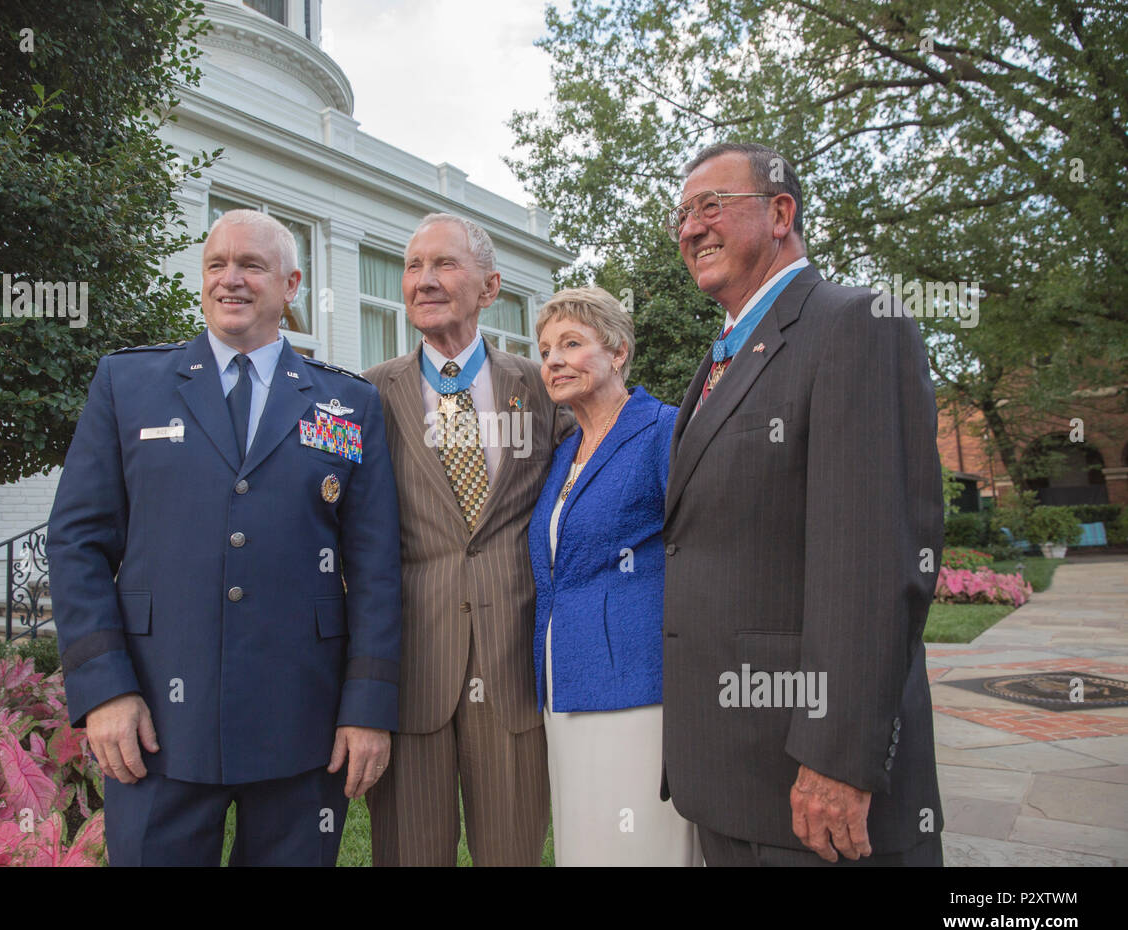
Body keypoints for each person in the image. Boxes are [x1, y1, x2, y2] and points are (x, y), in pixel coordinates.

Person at [47, 209, 402, 866]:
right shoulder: (128, 385)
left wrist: (368, 708)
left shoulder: (347, 405)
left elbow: (377, 567)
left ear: (291, 284)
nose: (229, 280)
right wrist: (104, 691)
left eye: (251, 266)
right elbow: (76, 544)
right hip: (155, 722)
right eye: (216, 265)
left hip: (305, 726)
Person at [661, 143, 944, 866]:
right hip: (727, 778)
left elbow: (874, 566)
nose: (691, 227)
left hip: (809, 788)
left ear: (781, 212)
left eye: (712, 206)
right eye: (682, 215)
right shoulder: (722, 358)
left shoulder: (857, 326)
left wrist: (838, 760)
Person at [362, 213, 575, 866]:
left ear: (490, 286)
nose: (424, 280)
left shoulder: (542, 389)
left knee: (511, 853)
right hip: (412, 674)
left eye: (444, 264)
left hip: (513, 672)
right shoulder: (367, 395)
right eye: (413, 266)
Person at [529, 287, 699, 866]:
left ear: (619, 351)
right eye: (545, 349)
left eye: (571, 344)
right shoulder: (563, 453)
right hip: (563, 690)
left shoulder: (664, 431)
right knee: (586, 848)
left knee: (639, 850)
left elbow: (701, 554)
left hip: (638, 692)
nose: (552, 360)